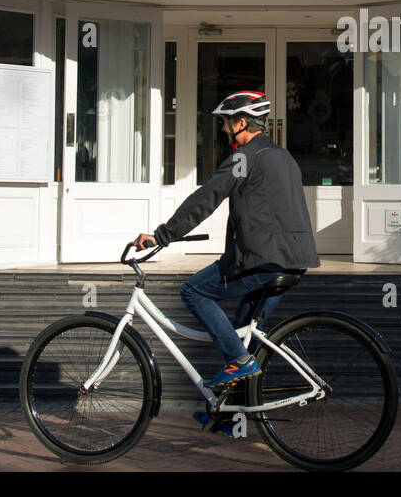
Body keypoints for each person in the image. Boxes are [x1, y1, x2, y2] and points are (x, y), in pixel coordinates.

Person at [133, 91, 319, 431]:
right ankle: (231, 412)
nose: (223, 130)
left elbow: (206, 198)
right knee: (240, 335)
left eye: (225, 123)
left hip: (263, 261)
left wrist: (163, 235)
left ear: (241, 123)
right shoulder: (282, 156)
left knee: (193, 292)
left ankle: (238, 364)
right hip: (294, 259)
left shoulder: (245, 157)